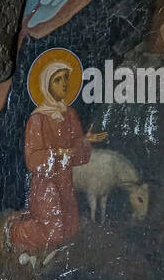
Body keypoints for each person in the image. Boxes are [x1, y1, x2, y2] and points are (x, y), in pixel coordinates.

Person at [6, 60, 106, 263]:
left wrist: (86, 141)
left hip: (65, 182)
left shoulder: (69, 115)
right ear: (46, 84)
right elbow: (32, 159)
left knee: (70, 229)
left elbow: (79, 156)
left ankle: (43, 254)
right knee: (53, 231)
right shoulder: (38, 119)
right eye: (57, 80)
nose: (64, 84)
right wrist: (57, 153)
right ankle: (14, 231)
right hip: (45, 183)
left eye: (66, 79)